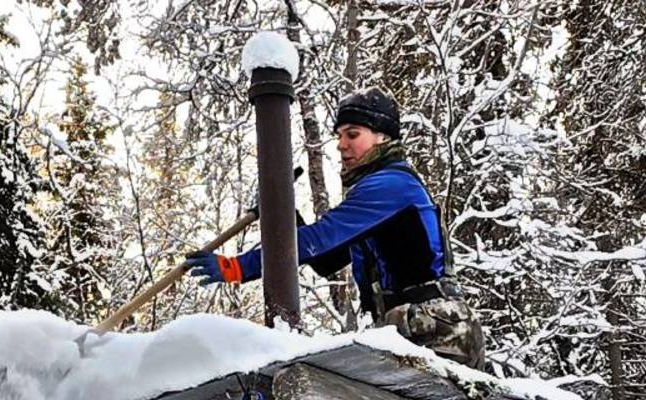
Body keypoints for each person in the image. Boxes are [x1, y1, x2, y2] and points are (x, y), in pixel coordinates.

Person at [184, 88, 486, 370]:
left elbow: (318, 240)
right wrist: (282, 212)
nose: (341, 145)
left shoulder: (391, 185)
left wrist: (237, 266)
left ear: (382, 138)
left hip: (437, 329)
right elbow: (326, 261)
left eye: (352, 134)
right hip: (409, 328)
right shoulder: (374, 195)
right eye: (339, 135)